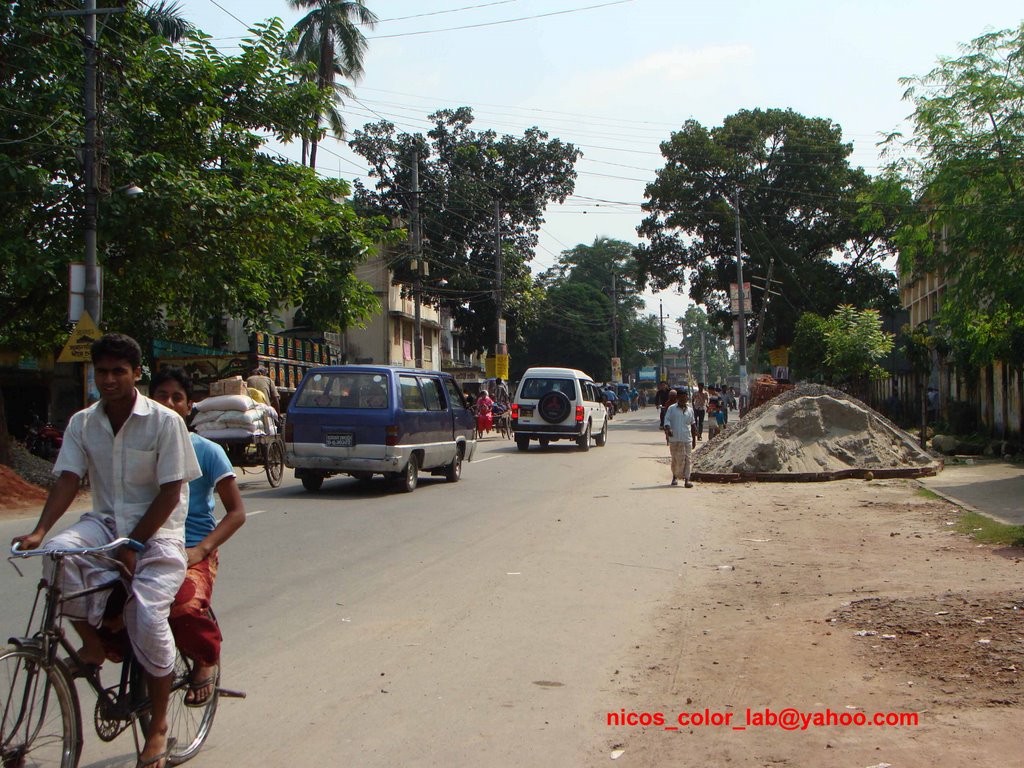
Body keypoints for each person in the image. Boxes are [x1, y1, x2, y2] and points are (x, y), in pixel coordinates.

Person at [12, 334, 200, 768]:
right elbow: (67, 478)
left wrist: (134, 545)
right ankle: (92, 645)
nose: (110, 379)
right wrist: (40, 531)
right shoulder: (83, 422)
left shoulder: (163, 421)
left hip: (158, 532)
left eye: (119, 371)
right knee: (59, 555)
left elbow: (172, 491)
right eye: (103, 372)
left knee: (145, 614)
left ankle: (157, 728)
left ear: (136, 374)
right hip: (106, 524)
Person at [150, 367, 246, 708]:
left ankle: (206, 659)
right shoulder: (139, 449)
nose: (170, 403)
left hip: (193, 548)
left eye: (178, 398)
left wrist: (201, 549)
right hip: (145, 545)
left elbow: (236, 513)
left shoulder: (207, 451)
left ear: (189, 407)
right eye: (162, 396)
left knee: (184, 607)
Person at [663, 389, 697, 487]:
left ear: (687, 398)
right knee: (675, 459)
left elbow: (693, 423)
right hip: (675, 439)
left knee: (688, 459)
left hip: (687, 438)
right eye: (681, 397)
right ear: (677, 398)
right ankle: (675, 477)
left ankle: (687, 479)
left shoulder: (690, 410)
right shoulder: (671, 409)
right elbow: (667, 420)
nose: (683, 399)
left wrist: (694, 439)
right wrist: (668, 429)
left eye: (685, 397)